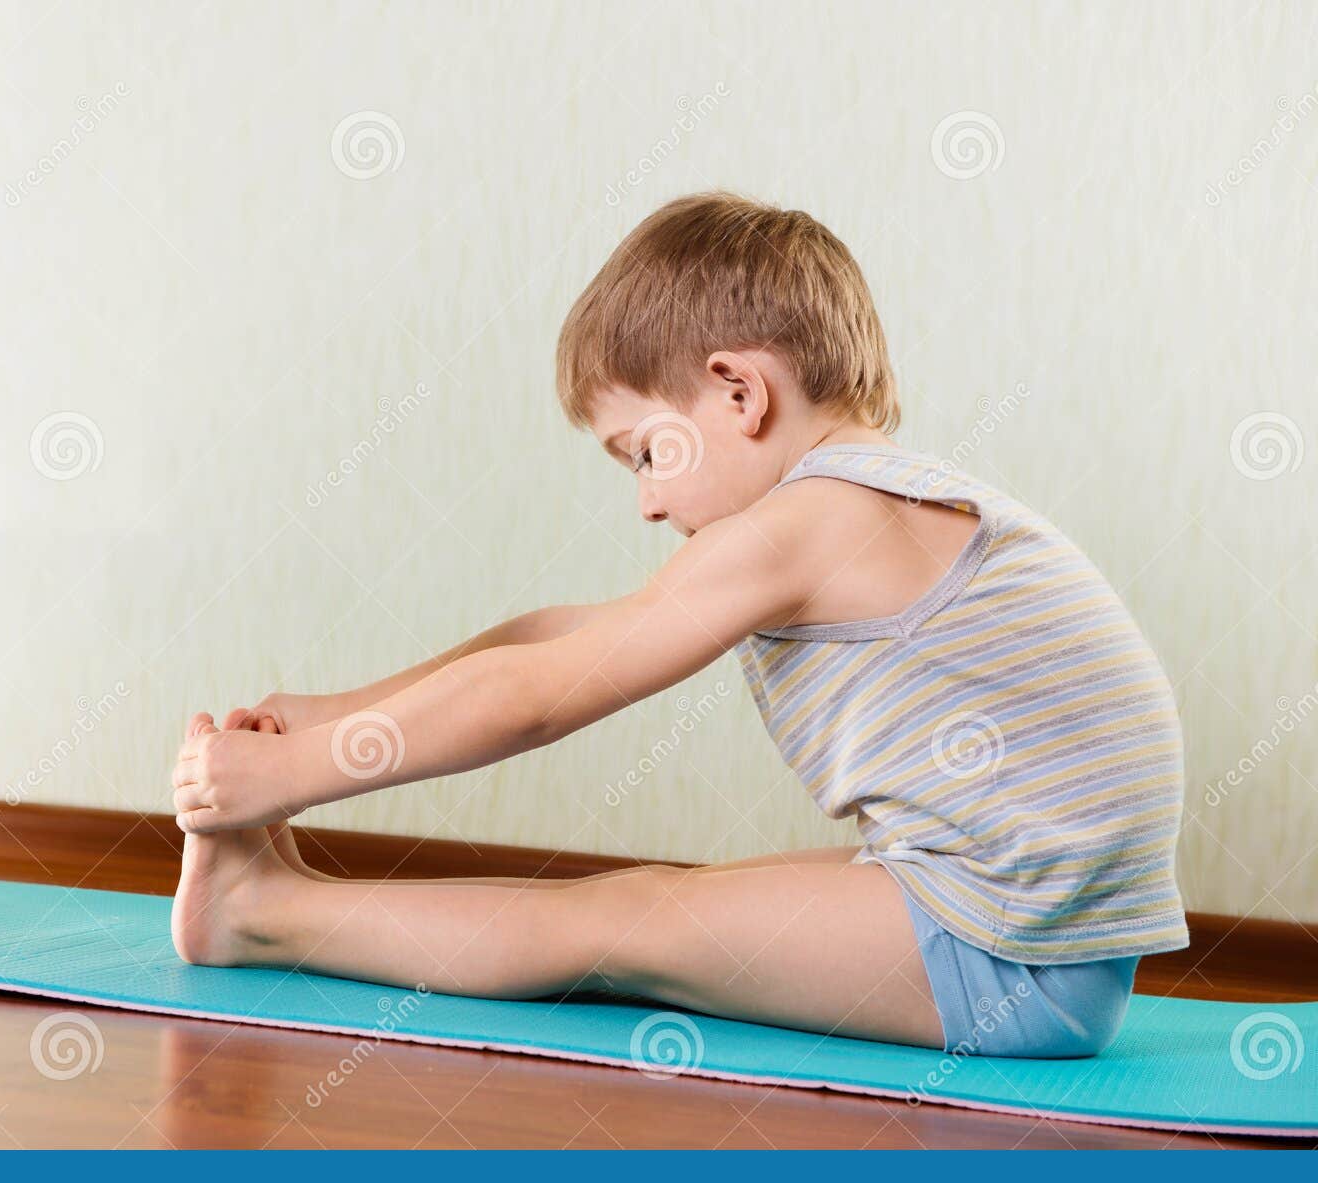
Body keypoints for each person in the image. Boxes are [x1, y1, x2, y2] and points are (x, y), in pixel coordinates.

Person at [169, 190, 1187, 1059]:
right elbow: (559, 640)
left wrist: (298, 774)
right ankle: (267, 903)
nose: (647, 503)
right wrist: (336, 715)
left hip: (1011, 955)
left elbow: (534, 703)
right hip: (1014, 921)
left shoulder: (812, 521)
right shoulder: (868, 498)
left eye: (643, 453)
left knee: (620, 922)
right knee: (656, 900)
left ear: (738, 392)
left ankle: (261, 918)